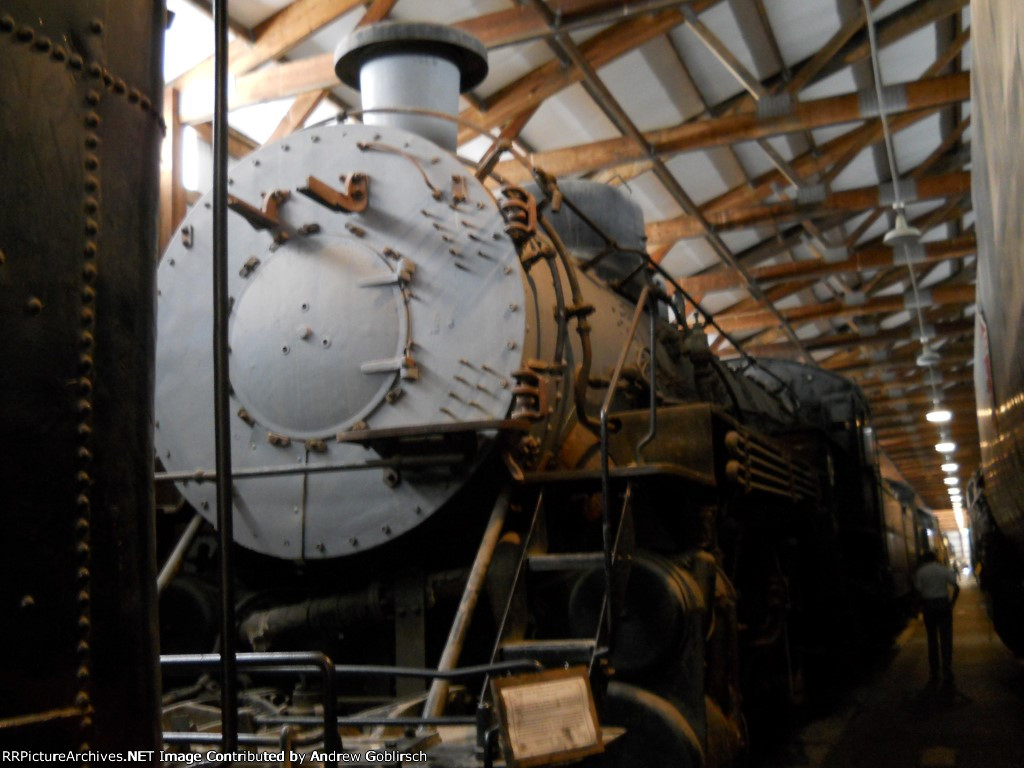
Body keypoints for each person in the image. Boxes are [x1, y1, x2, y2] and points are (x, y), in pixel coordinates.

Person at [914, 551, 960, 686]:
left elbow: (918, 591)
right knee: (946, 639)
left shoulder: (921, 572)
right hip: (943, 604)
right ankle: (947, 670)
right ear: (935, 558)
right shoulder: (942, 569)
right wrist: (952, 603)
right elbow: (956, 586)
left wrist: (918, 607)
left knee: (932, 639)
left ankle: (934, 672)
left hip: (928, 606)